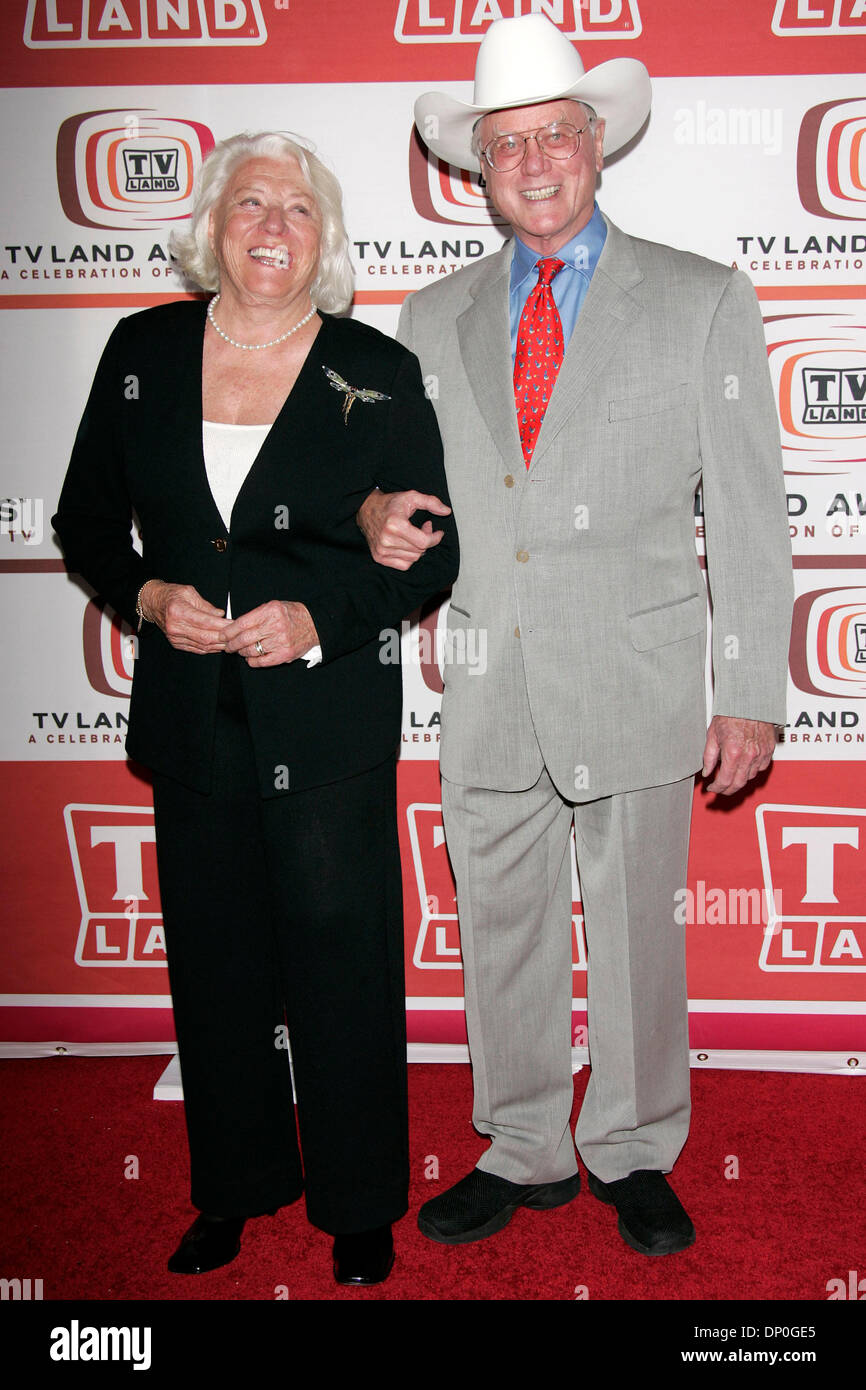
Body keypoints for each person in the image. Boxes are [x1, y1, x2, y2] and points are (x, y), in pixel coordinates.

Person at [357, 15, 793, 1256]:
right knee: (499, 924)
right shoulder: (425, 316)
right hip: (488, 680)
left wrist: (750, 689)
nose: (534, 160)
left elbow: (750, 514)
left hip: (641, 675)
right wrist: (391, 543)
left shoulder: (701, 296)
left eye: (556, 133)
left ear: (595, 143)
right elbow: (405, 495)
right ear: (476, 166)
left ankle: (636, 1143)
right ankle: (525, 1143)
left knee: (639, 931)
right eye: (507, 143)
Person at [53, 131, 458, 1286]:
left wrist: (321, 616)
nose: (271, 225)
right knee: (216, 964)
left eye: (296, 208)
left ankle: (360, 1202)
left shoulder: (374, 368)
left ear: (323, 238)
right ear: (213, 225)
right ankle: (233, 1187)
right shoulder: (140, 351)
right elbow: (86, 522)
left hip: (324, 720)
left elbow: (430, 548)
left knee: (343, 965)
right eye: (250, 203)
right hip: (191, 717)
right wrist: (145, 594)